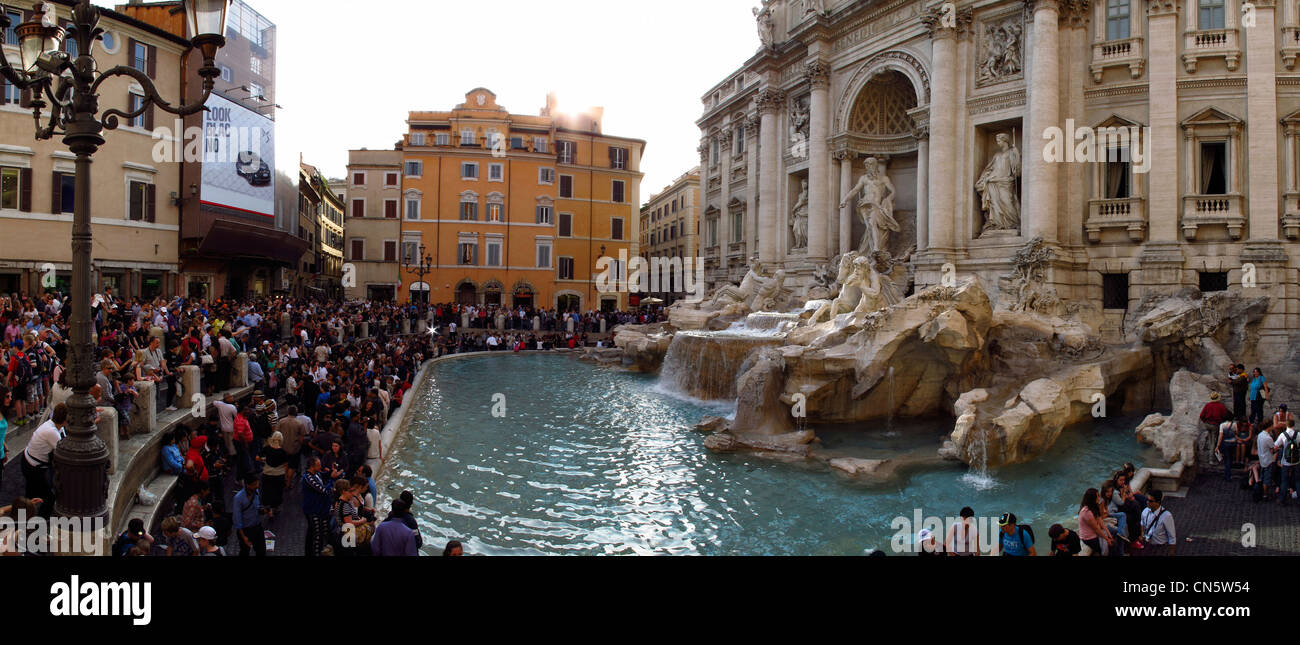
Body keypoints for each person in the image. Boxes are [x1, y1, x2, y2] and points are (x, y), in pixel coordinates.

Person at [21, 402, 65, 519]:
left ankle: (24, 517)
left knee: (30, 494)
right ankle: (40, 521)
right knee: (49, 497)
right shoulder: (52, 432)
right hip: (33, 468)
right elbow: (64, 452)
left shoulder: (51, 424)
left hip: (28, 461)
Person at [300, 457, 333, 557]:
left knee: (314, 532)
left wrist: (330, 472)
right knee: (316, 534)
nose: (321, 467)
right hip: (312, 510)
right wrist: (332, 479)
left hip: (318, 508)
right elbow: (324, 490)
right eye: (318, 465)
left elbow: (323, 475)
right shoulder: (308, 478)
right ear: (312, 466)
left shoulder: (317, 474)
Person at [232, 475, 265, 557]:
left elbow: (257, 507)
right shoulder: (238, 498)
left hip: (257, 527)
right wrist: (243, 537)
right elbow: (237, 518)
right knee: (244, 552)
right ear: (247, 485)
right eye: (254, 484)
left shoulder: (256, 492)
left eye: (257, 484)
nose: (257, 486)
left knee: (261, 551)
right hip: (246, 530)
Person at [258, 431, 288, 519]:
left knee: (268, 491)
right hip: (279, 474)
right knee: (277, 492)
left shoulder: (267, 448)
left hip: (267, 473)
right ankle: (275, 508)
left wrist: (264, 459)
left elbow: (257, 457)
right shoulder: (283, 452)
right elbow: (285, 464)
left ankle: (269, 510)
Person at [1077, 488, 1113, 557]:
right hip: (1089, 537)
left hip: (1095, 532)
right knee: (1109, 548)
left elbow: (1100, 521)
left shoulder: (1094, 506)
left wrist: (1109, 535)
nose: (1099, 498)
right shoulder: (1087, 512)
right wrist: (1107, 539)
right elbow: (1096, 529)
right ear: (1092, 499)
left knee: (1113, 534)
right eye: (1098, 496)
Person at [1273, 418, 1300, 504]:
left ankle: (1282, 499)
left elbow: (1275, 446)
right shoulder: (1298, 434)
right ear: (1294, 425)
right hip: (1297, 460)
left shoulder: (1282, 435)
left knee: (1284, 480)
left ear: (1286, 425)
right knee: (1298, 480)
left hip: (1286, 461)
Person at [1140, 490, 1176, 555]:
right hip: (1148, 545)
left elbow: (1172, 536)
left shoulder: (1167, 516)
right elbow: (1142, 523)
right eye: (1147, 500)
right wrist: (1142, 533)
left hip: (1161, 547)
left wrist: (1171, 553)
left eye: (1150, 501)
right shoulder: (1145, 511)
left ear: (1158, 502)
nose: (1147, 502)